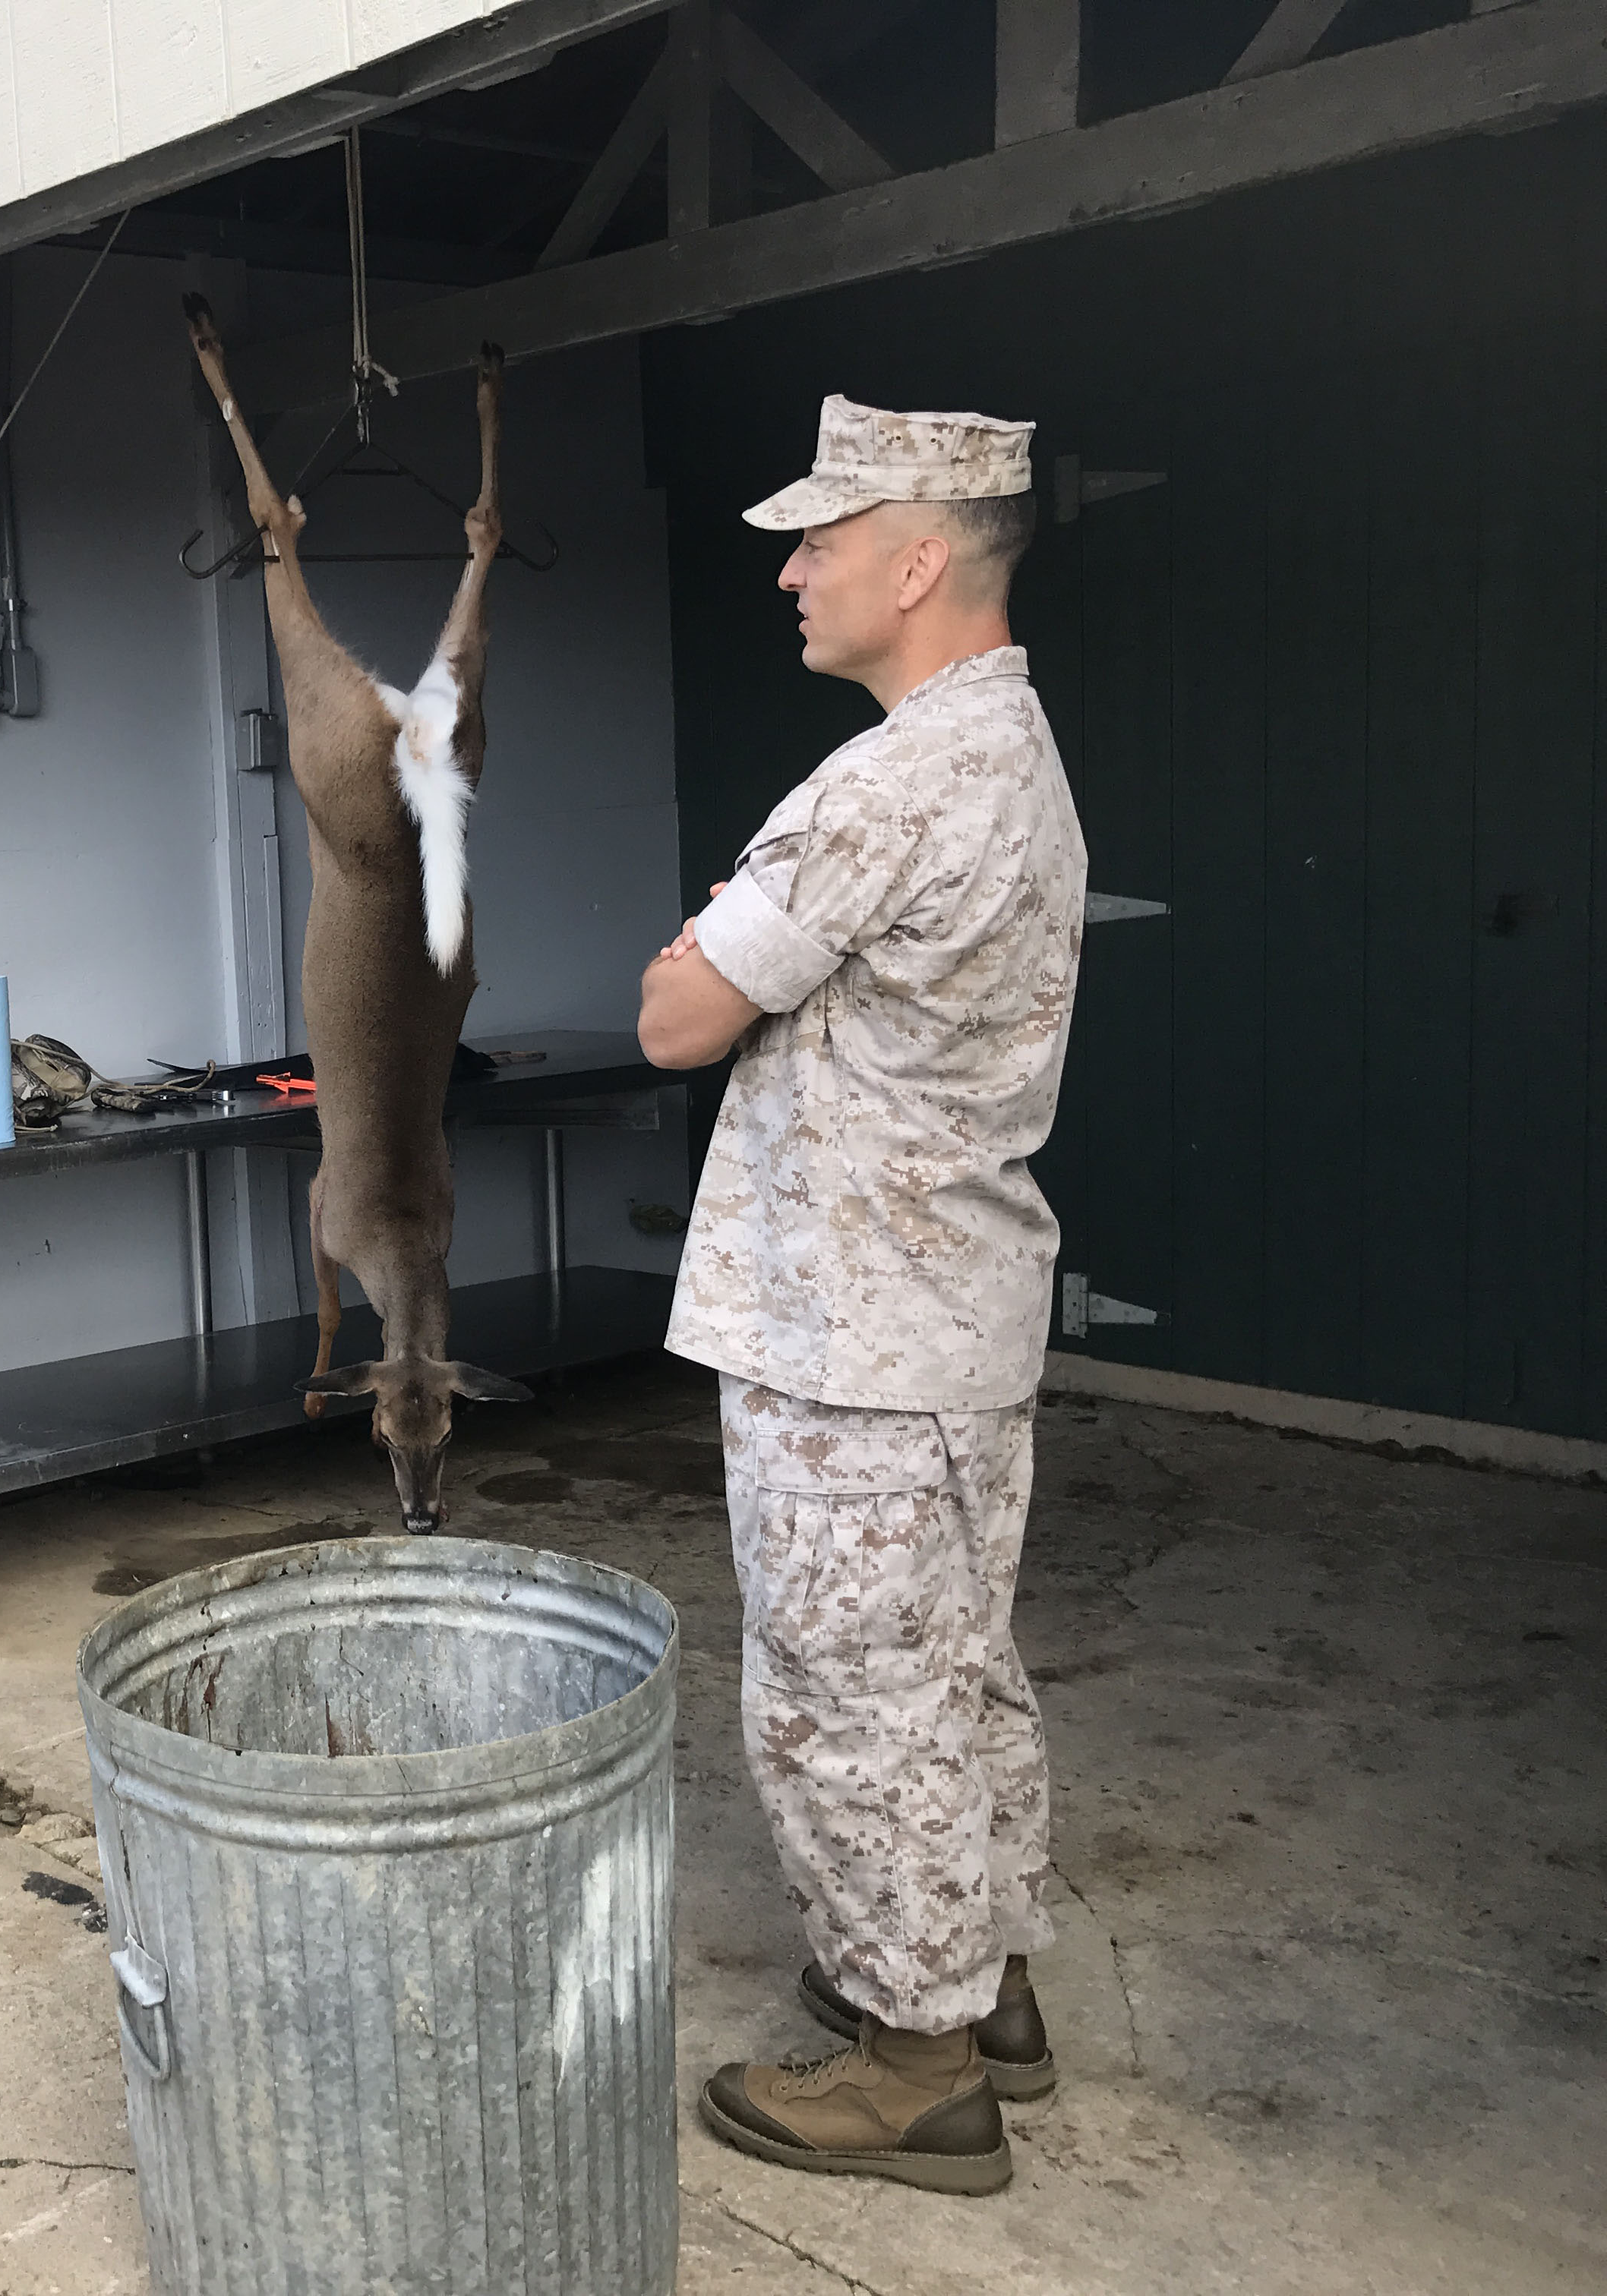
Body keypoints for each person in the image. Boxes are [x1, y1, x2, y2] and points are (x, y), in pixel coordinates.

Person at [637, 398, 1088, 2197]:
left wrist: (705, 944)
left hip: (852, 1327)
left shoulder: (891, 780)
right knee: (956, 1668)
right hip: (949, 1309)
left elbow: (677, 1017)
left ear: (920, 562)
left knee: (847, 1692)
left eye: (822, 539)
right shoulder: (1011, 750)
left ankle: (916, 2065)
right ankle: (991, 1990)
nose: (791, 567)